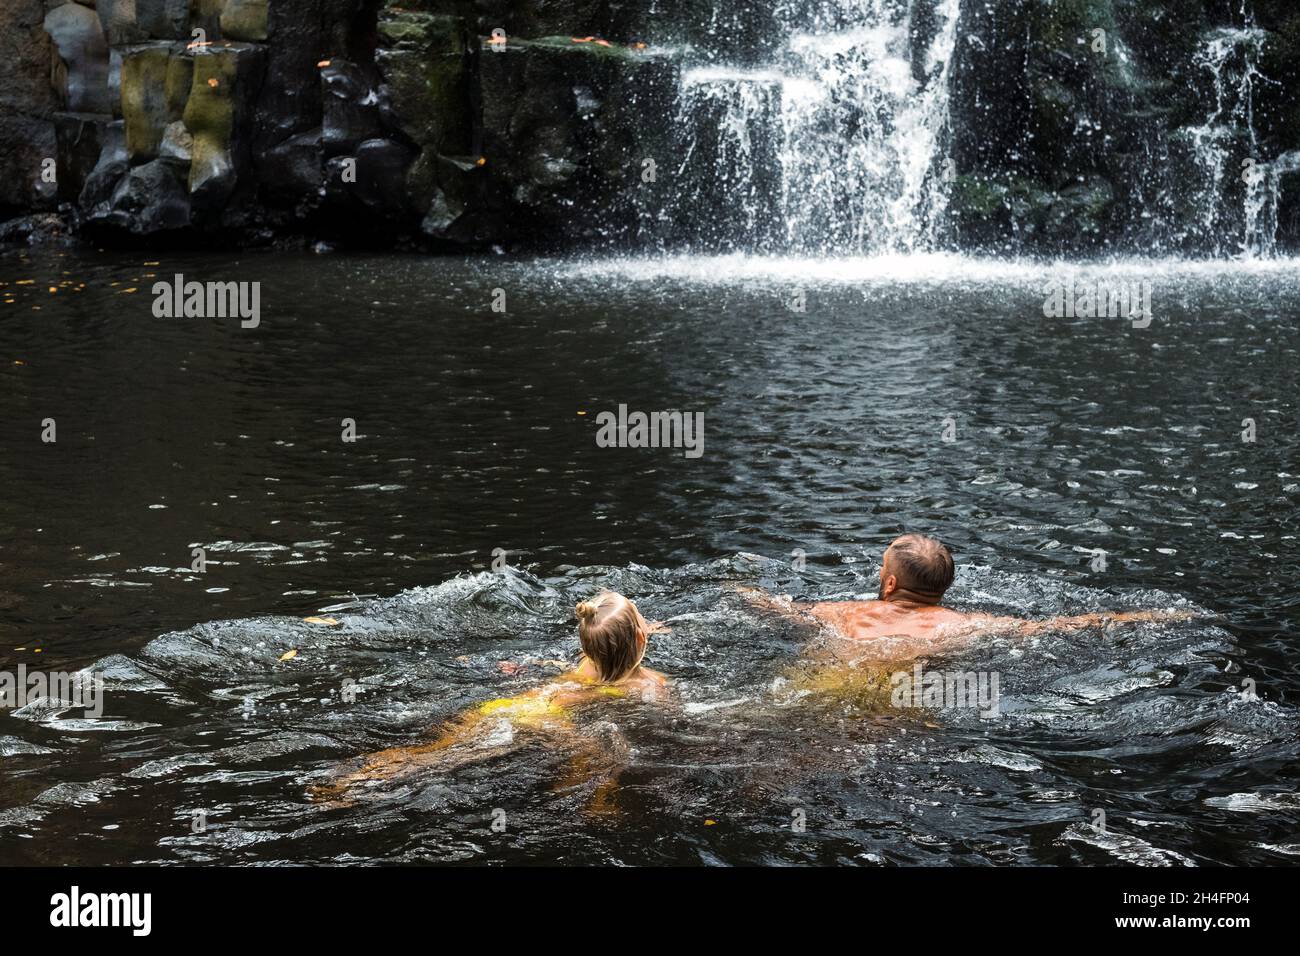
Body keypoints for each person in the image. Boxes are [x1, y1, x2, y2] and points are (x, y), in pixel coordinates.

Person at [312, 591, 670, 800]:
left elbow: (609, 639)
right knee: (597, 756)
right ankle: (591, 801)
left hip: (508, 705)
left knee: (437, 754)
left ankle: (350, 779)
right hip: (547, 717)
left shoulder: (586, 660)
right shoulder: (649, 684)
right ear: (641, 638)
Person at [743, 533, 1197, 669]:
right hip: (898, 700)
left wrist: (741, 590)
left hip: (828, 679)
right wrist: (1150, 616)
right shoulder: (963, 624)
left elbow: (777, 608)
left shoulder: (844, 613)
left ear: (888, 585)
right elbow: (1067, 625)